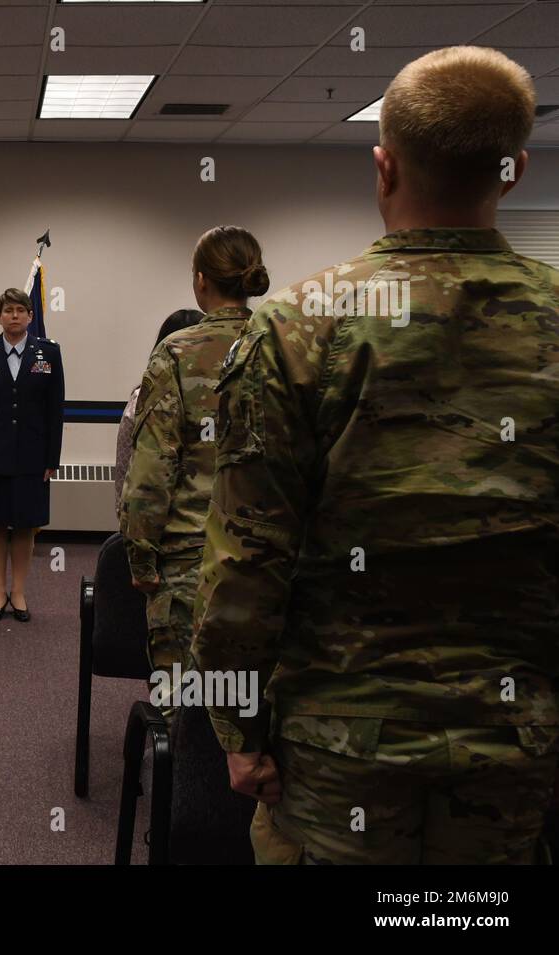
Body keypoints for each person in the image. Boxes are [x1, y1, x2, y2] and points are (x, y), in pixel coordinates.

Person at [190, 45, 559, 864]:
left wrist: (239, 733)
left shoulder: (295, 329)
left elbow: (244, 568)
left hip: (336, 755)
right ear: (516, 170)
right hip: (516, 750)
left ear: (382, 168)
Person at [122, 229, 266, 709]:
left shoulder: (176, 352)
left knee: (180, 707)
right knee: (257, 702)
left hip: (190, 560)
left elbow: (152, 469)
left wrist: (140, 556)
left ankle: (176, 784)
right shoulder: (291, 348)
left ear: (201, 282)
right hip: (272, 559)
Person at [0, 288, 64, 622]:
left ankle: (18, 592)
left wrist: (53, 459)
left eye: (21, 310)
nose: (15, 316)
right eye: (8, 310)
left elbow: (55, 410)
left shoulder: (48, 353)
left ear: (30, 316)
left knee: (24, 525)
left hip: (32, 454)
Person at [114, 309, 203, 518]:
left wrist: (123, 511)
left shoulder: (223, 393)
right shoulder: (143, 398)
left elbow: (124, 463)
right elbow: (127, 459)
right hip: (166, 514)